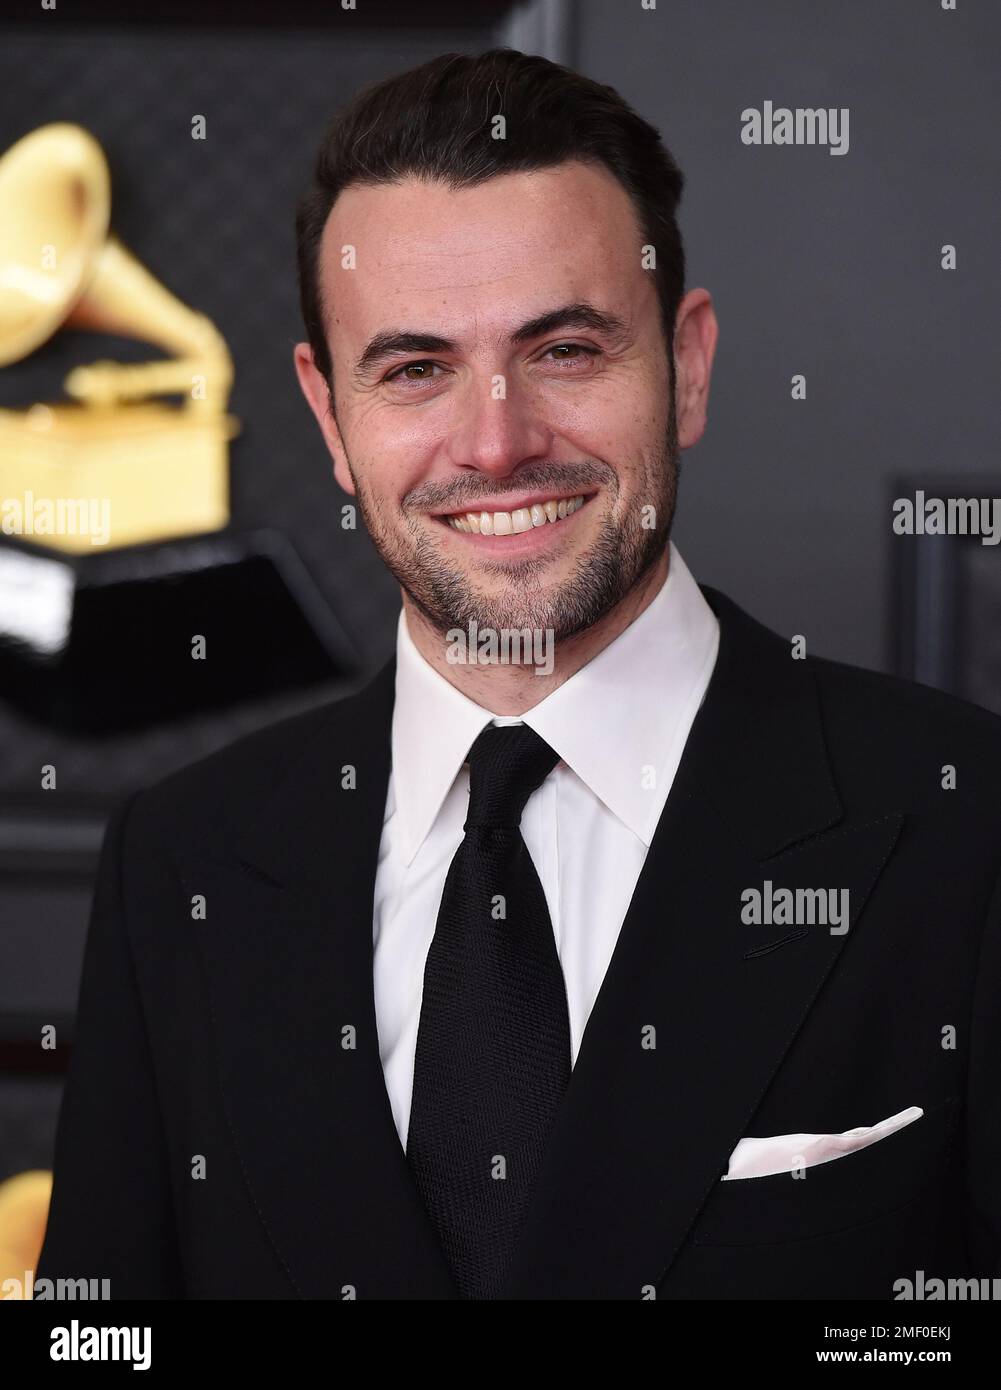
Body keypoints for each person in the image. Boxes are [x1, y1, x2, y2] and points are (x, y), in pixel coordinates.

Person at [37, 48, 1001, 1301]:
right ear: (330, 420)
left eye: (563, 349)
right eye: (415, 369)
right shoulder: (182, 861)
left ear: (687, 364)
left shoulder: (964, 827)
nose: (495, 443)